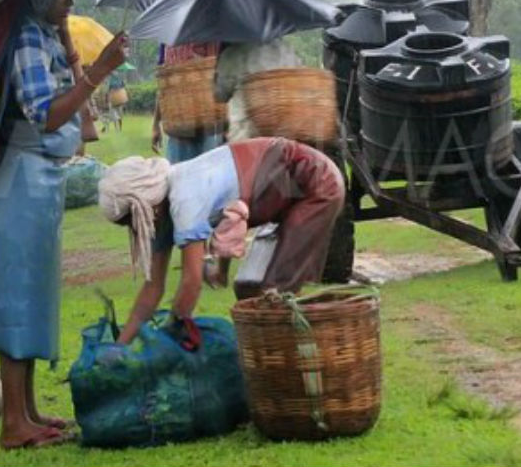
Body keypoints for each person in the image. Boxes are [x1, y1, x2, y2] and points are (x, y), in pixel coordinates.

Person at [0, 0, 128, 449]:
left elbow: (76, 119)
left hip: (39, 182)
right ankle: (13, 426)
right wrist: (99, 70)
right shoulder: (23, 39)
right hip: (22, 181)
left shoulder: (42, 35)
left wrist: (70, 45)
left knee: (32, 295)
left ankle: (28, 413)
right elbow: (45, 115)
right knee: (17, 297)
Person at [97, 137, 345, 345]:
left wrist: (173, 331)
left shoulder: (184, 198)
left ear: (144, 205)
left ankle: (295, 366)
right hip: (283, 198)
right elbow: (153, 287)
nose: (134, 229)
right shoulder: (163, 211)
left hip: (313, 182)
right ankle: (272, 363)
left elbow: (191, 282)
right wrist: (121, 347)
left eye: (131, 221)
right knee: (249, 290)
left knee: (274, 296)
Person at [213, 39, 302, 141]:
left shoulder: (232, 54)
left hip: (245, 126)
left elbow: (220, 93)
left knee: (243, 154)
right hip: (281, 124)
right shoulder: (286, 49)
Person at [151, 41, 223, 162]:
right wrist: (155, 124)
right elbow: (164, 86)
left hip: (205, 126)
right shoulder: (167, 41)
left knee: (204, 173)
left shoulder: (211, 36)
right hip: (179, 127)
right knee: (179, 174)